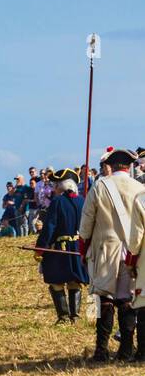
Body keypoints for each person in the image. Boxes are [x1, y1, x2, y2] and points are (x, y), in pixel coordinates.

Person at [79, 147, 145, 361]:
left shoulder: (99, 186)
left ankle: (101, 350)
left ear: (111, 165)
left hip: (104, 249)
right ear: (129, 166)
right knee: (127, 300)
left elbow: (86, 222)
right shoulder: (139, 188)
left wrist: (83, 247)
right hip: (131, 251)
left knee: (104, 300)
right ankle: (126, 350)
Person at [36, 169, 88, 324]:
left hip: (61, 248)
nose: (53, 188)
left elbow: (50, 227)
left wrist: (41, 248)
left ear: (61, 185)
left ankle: (64, 317)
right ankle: (75, 317)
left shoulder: (57, 201)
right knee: (74, 281)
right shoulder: (82, 201)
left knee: (56, 280)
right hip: (79, 246)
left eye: (55, 184)